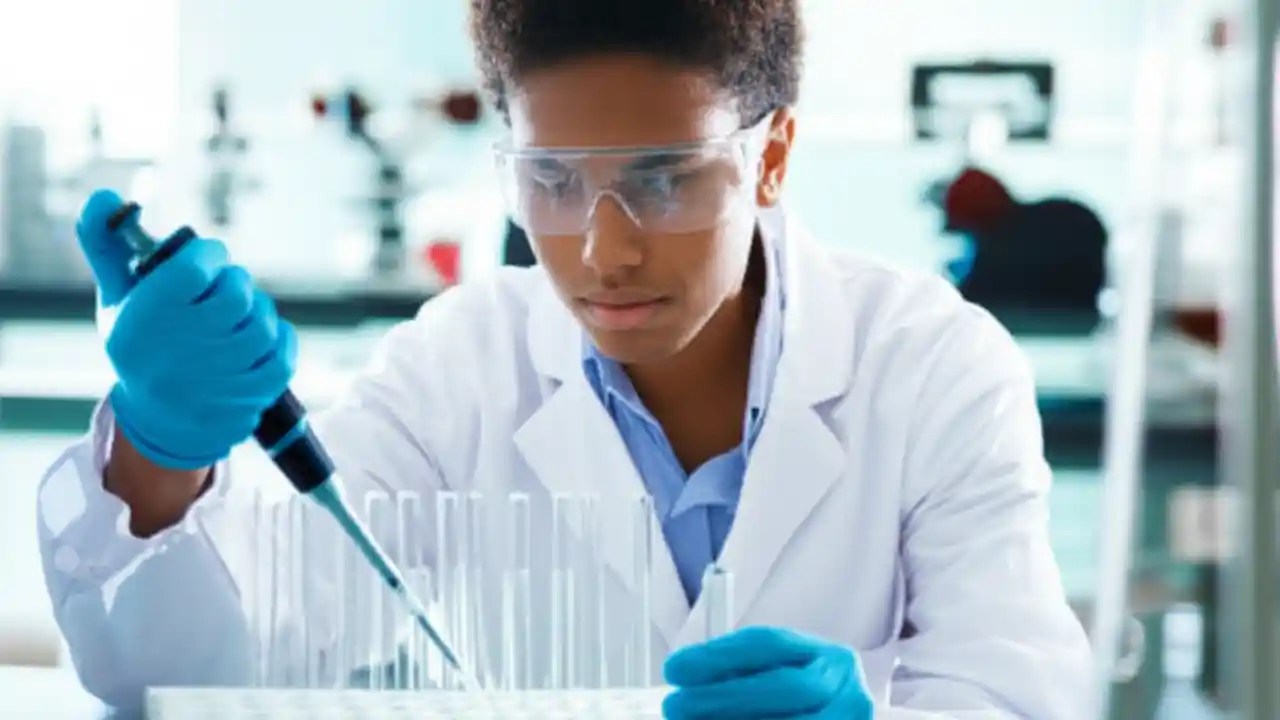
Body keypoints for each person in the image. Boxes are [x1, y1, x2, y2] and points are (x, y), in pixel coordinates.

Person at [36, 1, 1092, 717]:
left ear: (770, 155)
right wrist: (158, 454)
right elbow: (201, 675)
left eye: (665, 177)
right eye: (549, 178)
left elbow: (1015, 693)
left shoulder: (935, 366)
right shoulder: (459, 366)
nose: (604, 249)